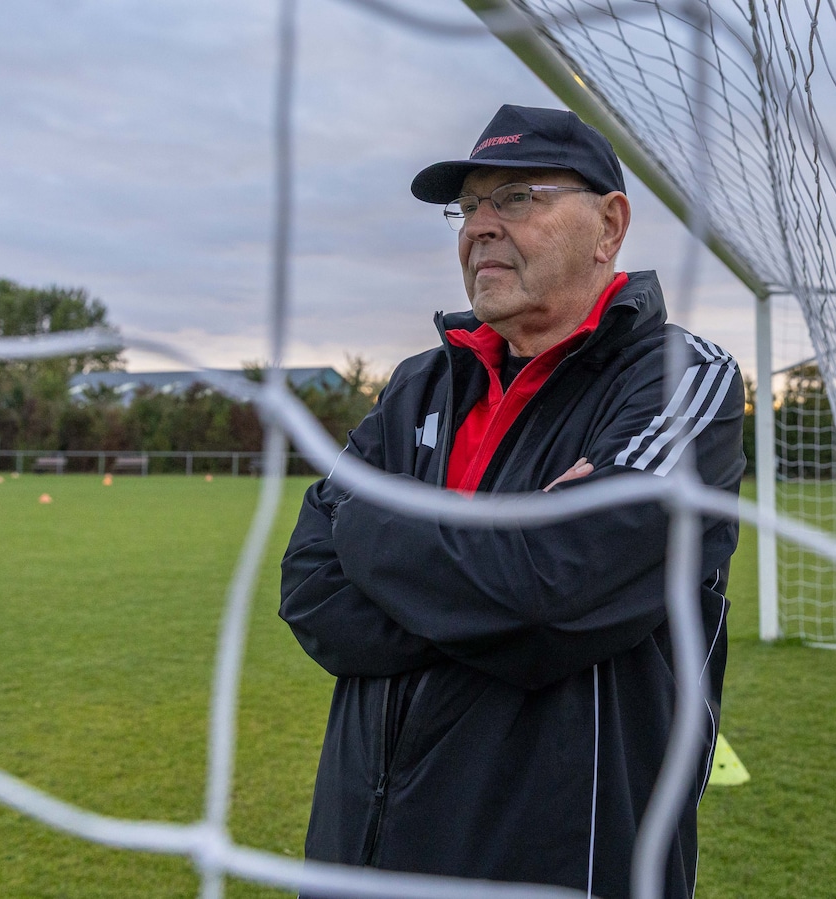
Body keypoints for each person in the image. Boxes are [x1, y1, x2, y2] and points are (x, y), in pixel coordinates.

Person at [280, 104, 745, 899]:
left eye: (518, 197)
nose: (479, 228)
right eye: (468, 208)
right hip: (357, 852)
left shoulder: (683, 380)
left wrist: (368, 523)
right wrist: (486, 591)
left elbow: (549, 592)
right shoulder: (418, 384)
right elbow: (309, 586)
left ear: (609, 224)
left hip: (558, 861)